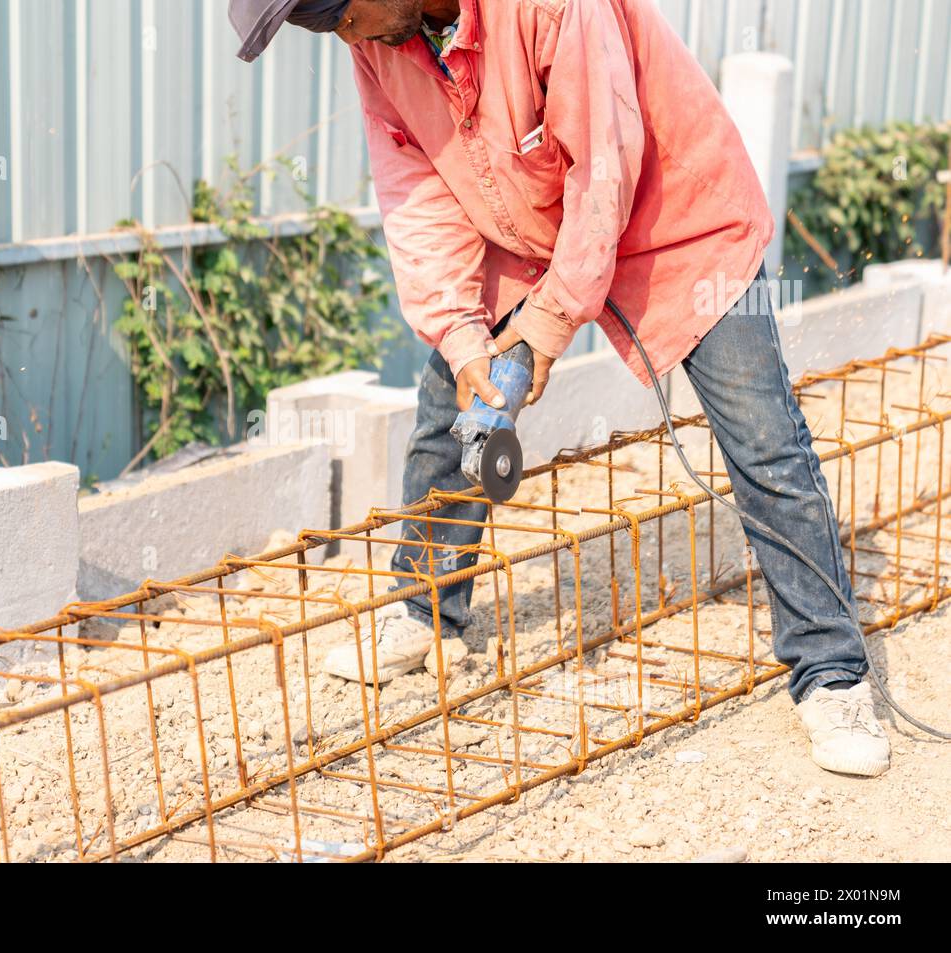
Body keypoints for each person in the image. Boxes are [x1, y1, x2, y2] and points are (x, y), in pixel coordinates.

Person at [229, 0, 890, 777]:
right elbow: (416, 188)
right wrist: (463, 333)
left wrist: (547, 322)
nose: (347, 39)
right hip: (528, 225)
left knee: (765, 442)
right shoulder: (383, 39)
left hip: (678, 217)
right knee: (455, 416)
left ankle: (833, 672)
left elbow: (604, 167)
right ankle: (425, 610)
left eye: (343, 18)